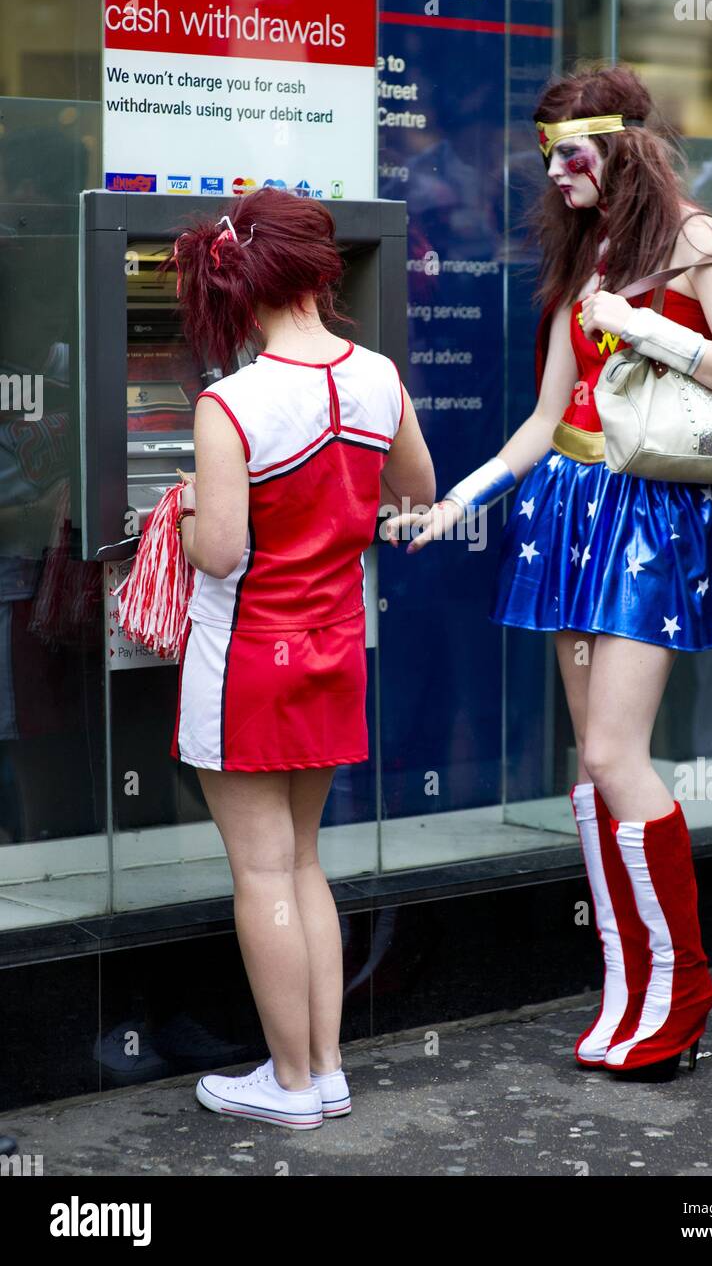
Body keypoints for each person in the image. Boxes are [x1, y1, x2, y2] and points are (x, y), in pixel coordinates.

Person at [384, 64, 712, 1081]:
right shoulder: (581, 250)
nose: (554, 171)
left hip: (651, 514)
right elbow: (542, 415)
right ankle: (626, 988)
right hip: (569, 508)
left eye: (573, 151)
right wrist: (457, 503)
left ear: (624, 147)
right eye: (545, 150)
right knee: (588, 771)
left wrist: (641, 322)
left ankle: (680, 990)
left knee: (614, 754)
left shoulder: (688, 237)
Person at [166, 186, 434, 1127]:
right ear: (322, 270)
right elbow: (417, 486)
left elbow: (222, 553)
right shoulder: (377, 378)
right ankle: (322, 1070)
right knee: (306, 862)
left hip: (244, 662)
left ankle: (286, 1085)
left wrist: (190, 510)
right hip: (333, 649)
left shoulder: (229, 404)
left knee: (262, 873)